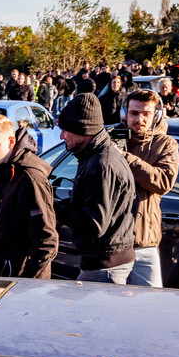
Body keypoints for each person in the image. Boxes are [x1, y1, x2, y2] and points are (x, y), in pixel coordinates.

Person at [59, 93, 136, 283]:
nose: (61, 136)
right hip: (103, 260)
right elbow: (90, 204)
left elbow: (94, 224)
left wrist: (53, 208)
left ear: (82, 129)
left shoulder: (102, 164)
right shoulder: (93, 155)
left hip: (105, 265)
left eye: (65, 130)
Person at [0, 114, 58, 278]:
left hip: (15, 281)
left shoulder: (30, 179)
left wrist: (27, 285)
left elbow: (46, 241)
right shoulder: (2, 170)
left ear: (11, 142)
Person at [121, 90, 179, 287]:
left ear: (156, 115)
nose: (140, 119)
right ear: (125, 114)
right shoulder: (111, 139)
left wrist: (126, 158)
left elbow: (163, 182)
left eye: (146, 114)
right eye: (134, 113)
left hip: (144, 243)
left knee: (150, 307)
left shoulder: (166, 144)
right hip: (112, 243)